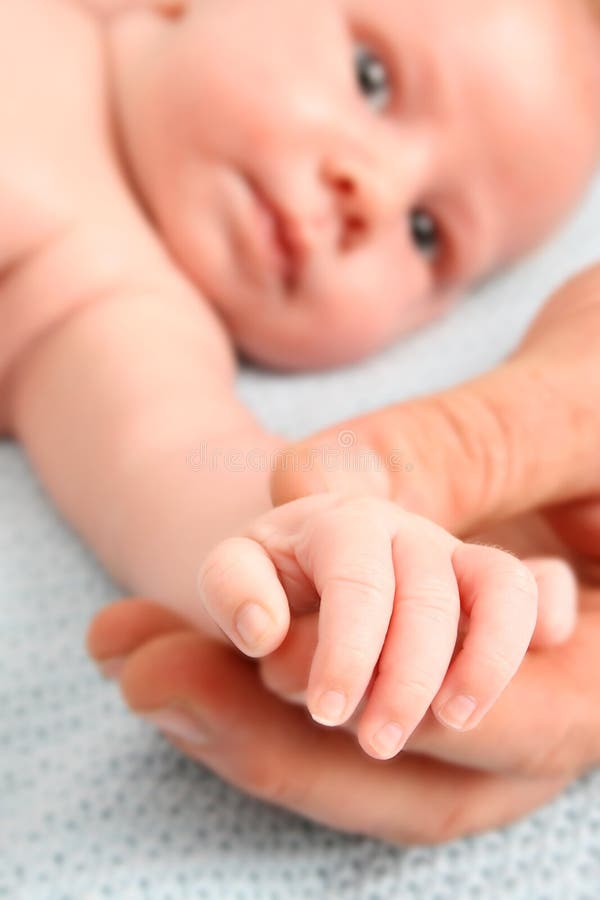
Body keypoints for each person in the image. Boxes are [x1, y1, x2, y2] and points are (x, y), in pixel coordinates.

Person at [1, 0, 599, 839]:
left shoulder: (102, 290)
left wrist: (348, 556)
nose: (375, 195)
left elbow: (177, 457)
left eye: (427, 236)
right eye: (372, 78)